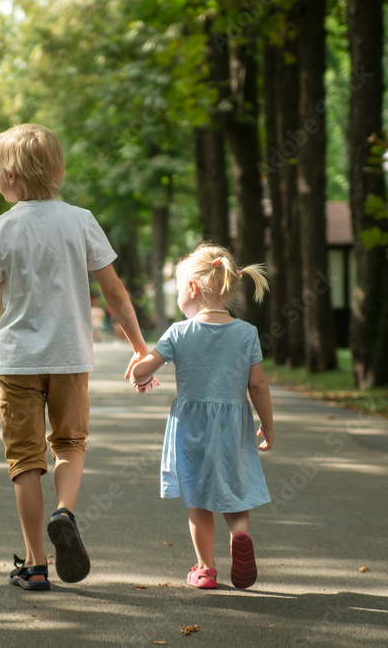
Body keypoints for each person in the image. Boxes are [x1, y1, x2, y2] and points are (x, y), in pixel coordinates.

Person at [0, 123, 147, 592]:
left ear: (10, 175)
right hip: (71, 356)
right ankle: (64, 512)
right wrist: (139, 346)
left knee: (25, 461)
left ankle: (34, 563)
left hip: (17, 361)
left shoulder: (0, 229)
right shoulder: (81, 219)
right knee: (69, 443)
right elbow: (114, 292)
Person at [130, 243, 275, 591]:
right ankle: (239, 535)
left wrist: (140, 369)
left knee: (199, 501)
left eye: (180, 287)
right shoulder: (247, 333)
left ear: (192, 289)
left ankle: (206, 569)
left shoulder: (179, 332)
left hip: (191, 429)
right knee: (235, 491)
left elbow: (142, 372)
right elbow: (257, 384)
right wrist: (267, 423)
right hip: (234, 428)